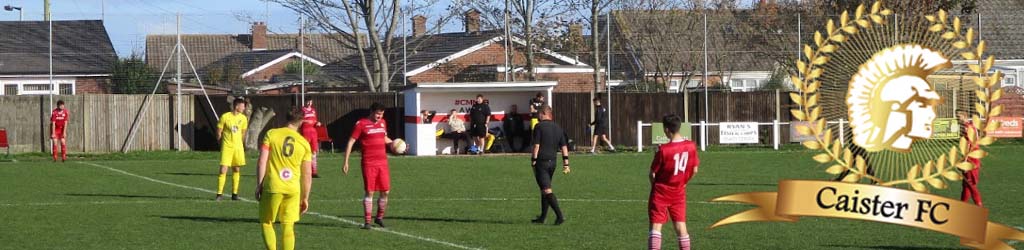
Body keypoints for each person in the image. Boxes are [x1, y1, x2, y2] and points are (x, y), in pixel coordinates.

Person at [255, 108, 313, 250]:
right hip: (293, 189)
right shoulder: (304, 143)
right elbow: (307, 174)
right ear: (301, 122)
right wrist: (305, 197)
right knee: (288, 225)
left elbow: (262, 161)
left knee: (267, 222)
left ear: (286, 118)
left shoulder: (272, 134)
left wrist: (259, 184)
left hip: (273, 186)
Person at [647, 114, 699, 250]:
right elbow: (695, 170)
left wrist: (654, 186)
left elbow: (652, 174)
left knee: (656, 226)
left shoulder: (663, 150)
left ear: (666, 130)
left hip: (661, 191)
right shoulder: (691, 146)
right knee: (681, 226)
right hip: (679, 191)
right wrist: (684, 182)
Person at [343, 103, 395, 229]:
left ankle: (379, 218)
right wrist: (346, 161)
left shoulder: (383, 123)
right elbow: (351, 141)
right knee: (370, 192)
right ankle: (367, 222)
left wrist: (395, 143)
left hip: (382, 162)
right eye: (377, 114)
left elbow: (384, 138)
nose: (379, 116)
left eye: (381, 114)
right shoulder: (361, 124)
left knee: (385, 191)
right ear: (371, 111)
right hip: (369, 163)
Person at [530, 105, 570, 225]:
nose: (538, 116)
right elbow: (564, 147)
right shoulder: (558, 127)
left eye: (539, 114)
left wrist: (533, 160)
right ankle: (542, 217)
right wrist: (566, 164)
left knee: (547, 190)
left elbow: (536, 145)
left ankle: (560, 216)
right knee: (544, 189)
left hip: (541, 162)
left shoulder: (538, 126)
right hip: (553, 162)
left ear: (543, 113)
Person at [216, 98, 249, 201]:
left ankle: (234, 194)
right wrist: (220, 143)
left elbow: (243, 133)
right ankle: (219, 194)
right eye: (242, 106)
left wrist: (241, 144)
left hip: (238, 148)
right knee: (223, 169)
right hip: (227, 147)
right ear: (236, 106)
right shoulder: (225, 117)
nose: (244, 108)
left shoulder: (243, 118)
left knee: (236, 169)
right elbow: (219, 132)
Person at [959, 111, 983, 207]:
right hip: (974, 158)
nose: (957, 118)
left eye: (959, 116)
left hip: (971, 159)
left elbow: (969, 145)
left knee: (970, 184)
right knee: (966, 184)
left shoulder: (967, 127)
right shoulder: (971, 126)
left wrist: (965, 161)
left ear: (964, 116)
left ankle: (979, 205)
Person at [300, 99, 322, 178]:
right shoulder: (302, 110)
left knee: (314, 152)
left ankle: (314, 172)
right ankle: (305, 170)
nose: (309, 103)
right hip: (305, 132)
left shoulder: (313, 110)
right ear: (305, 102)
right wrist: (306, 121)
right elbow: (299, 120)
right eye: (308, 101)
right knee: (305, 151)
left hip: (313, 132)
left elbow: (315, 120)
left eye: (310, 102)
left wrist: (317, 123)